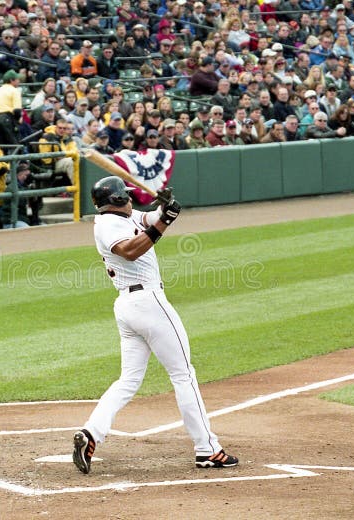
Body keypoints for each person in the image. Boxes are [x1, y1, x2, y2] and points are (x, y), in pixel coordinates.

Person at [72, 178, 238, 475]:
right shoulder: (107, 224)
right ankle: (207, 449)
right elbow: (130, 250)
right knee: (183, 374)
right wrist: (165, 223)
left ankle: (91, 433)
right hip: (148, 302)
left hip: (129, 307)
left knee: (129, 380)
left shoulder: (125, 216)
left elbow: (151, 217)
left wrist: (165, 206)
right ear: (119, 198)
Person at [0, 70, 22, 146]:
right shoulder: (14, 91)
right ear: (11, 80)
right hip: (7, 119)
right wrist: (17, 121)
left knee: (0, 147)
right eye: (17, 79)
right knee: (14, 145)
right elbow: (17, 110)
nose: (19, 81)